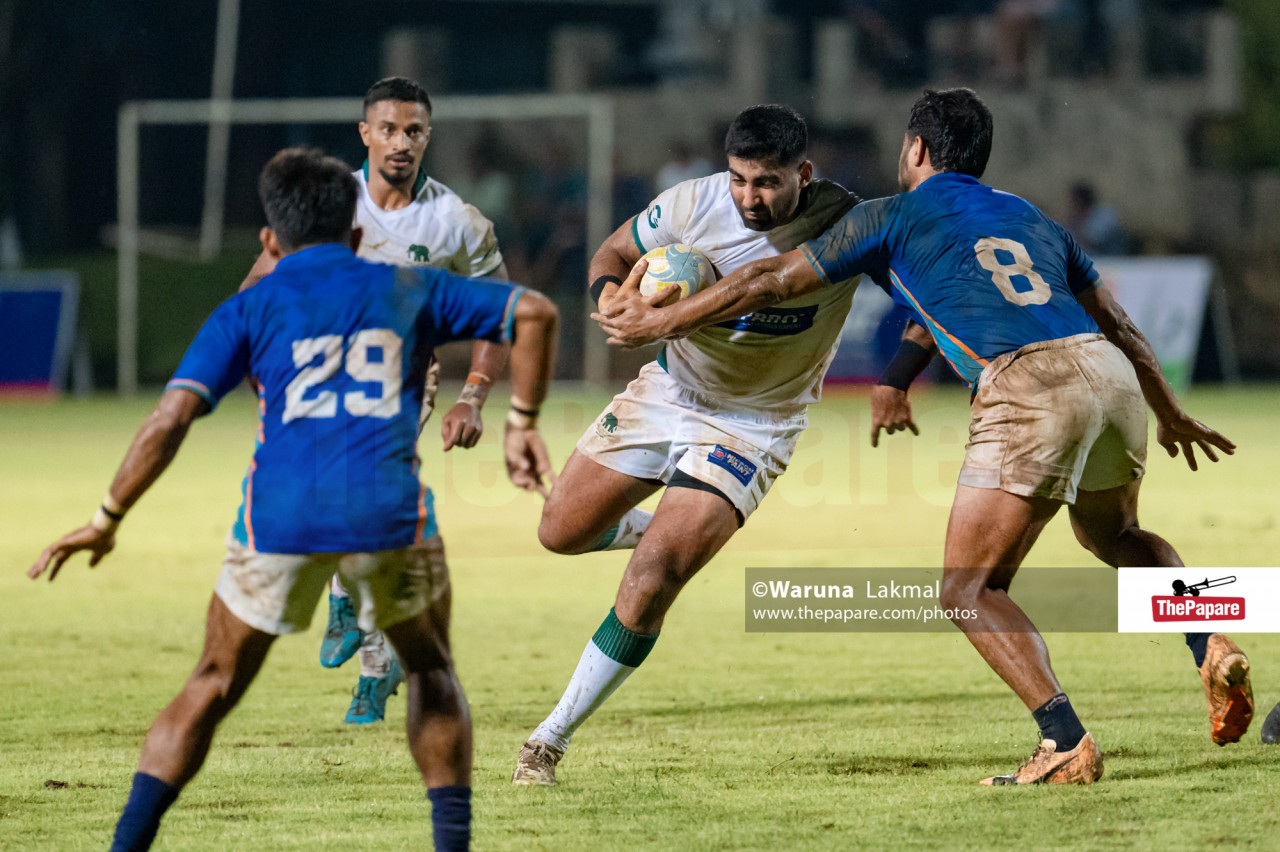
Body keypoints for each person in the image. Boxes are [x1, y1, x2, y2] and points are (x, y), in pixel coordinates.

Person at [594, 88, 1247, 785]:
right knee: (1119, 537)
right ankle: (1210, 641)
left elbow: (766, 278)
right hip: (1108, 375)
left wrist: (660, 323)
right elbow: (1117, 320)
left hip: (1027, 387)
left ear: (915, 150)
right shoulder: (1030, 217)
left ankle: (1064, 742)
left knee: (967, 588)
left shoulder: (888, 216)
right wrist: (1168, 408)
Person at [29, 147, 559, 850]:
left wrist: (106, 520)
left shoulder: (250, 306)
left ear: (270, 241)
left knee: (212, 682)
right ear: (359, 232)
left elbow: (170, 420)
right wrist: (520, 421)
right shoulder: (408, 287)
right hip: (387, 516)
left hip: (279, 516)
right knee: (431, 670)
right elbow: (536, 313)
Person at [511, 104, 862, 786]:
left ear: (803, 174)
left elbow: (910, 283)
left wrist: (909, 371)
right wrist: (615, 297)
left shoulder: (840, 220)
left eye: (765, 183)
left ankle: (546, 743)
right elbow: (611, 254)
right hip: (668, 392)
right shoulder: (689, 205)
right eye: (738, 179)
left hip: (754, 423)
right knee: (560, 531)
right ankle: (662, 531)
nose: (748, 197)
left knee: (650, 582)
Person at [241, 77, 533, 725]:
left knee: (351, 486)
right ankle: (379, 656)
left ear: (428, 137)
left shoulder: (458, 223)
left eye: (415, 131)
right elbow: (259, 287)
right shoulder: (325, 206)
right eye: (389, 129)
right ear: (365, 133)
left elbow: (501, 318)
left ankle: (355, 624)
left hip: (401, 380)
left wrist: (476, 397)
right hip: (314, 378)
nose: (401, 142)